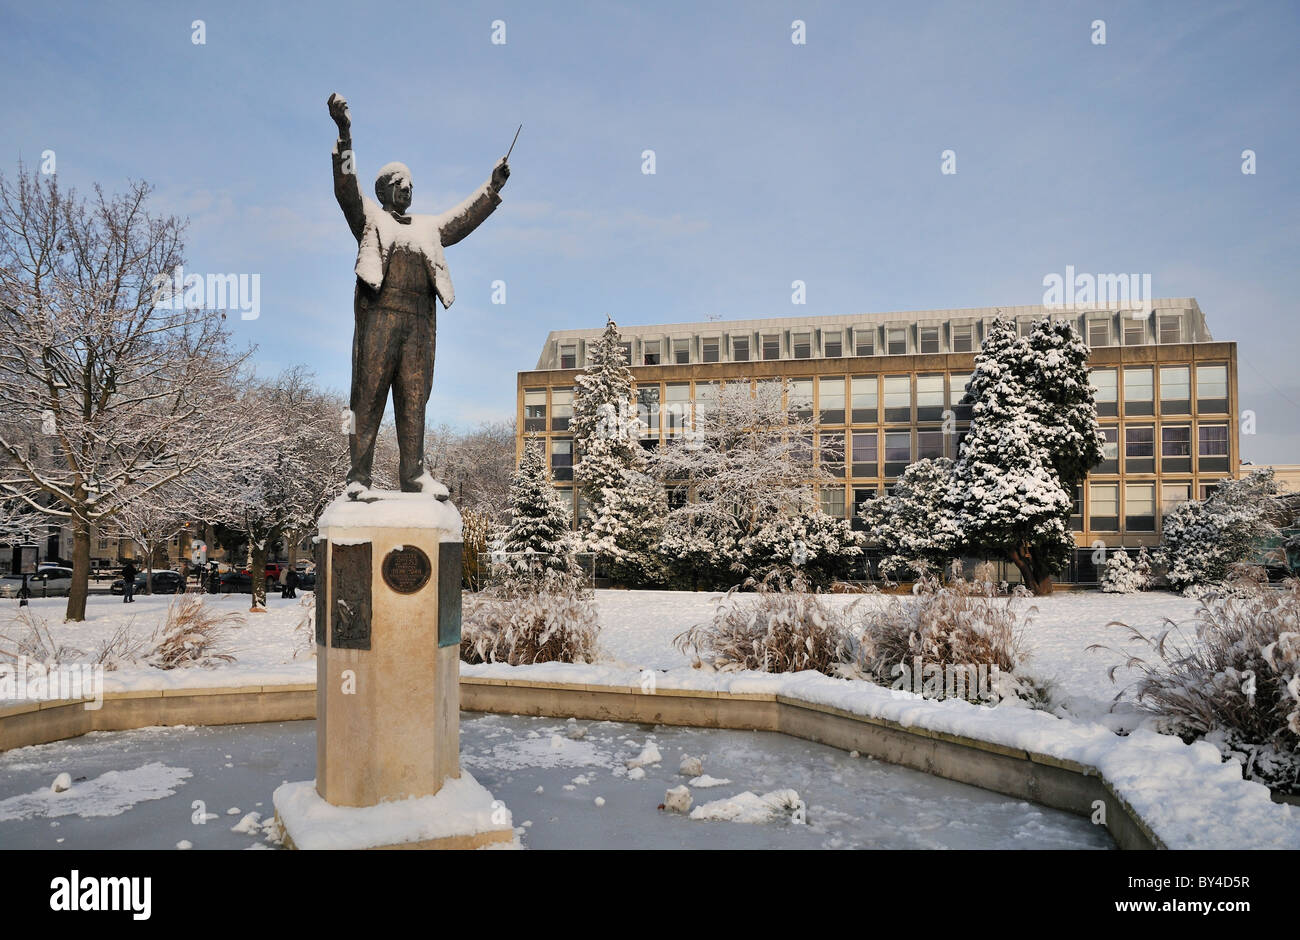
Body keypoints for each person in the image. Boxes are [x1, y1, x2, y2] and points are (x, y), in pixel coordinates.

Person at [328, 92, 509, 497]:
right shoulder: (371, 219)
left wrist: (492, 187)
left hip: (419, 326)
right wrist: (345, 135)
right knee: (367, 398)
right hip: (379, 318)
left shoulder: (428, 228)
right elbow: (346, 189)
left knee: (414, 400)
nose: (407, 189)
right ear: (384, 191)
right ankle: (358, 478)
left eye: (410, 184)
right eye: (398, 184)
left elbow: (461, 219)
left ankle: (414, 475)